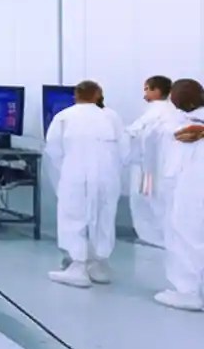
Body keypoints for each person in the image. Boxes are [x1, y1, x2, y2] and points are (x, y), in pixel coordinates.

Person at [44, 80, 128, 287]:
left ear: (76, 95)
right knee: (104, 218)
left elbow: (53, 150)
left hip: (75, 175)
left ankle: (77, 266)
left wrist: (65, 171)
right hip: (107, 177)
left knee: (73, 217)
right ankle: (99, 264)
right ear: (98, 94)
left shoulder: (64, 116)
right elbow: (125, 151)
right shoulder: (111, 116)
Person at [155, 78, 204, 311]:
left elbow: (173, 133)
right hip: (190, 188)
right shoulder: (182, 124)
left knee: (185, 235)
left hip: (189, 190)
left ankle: (187, 292)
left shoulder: (175, 124)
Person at [125, 75, 176, 247]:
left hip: (148, 166)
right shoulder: (172, 110)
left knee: (146, 201)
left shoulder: (156, 111)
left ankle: (153, 237)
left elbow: (136, 131)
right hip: (164, 166)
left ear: (157, 90)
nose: (144, 93)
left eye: (147, 89)